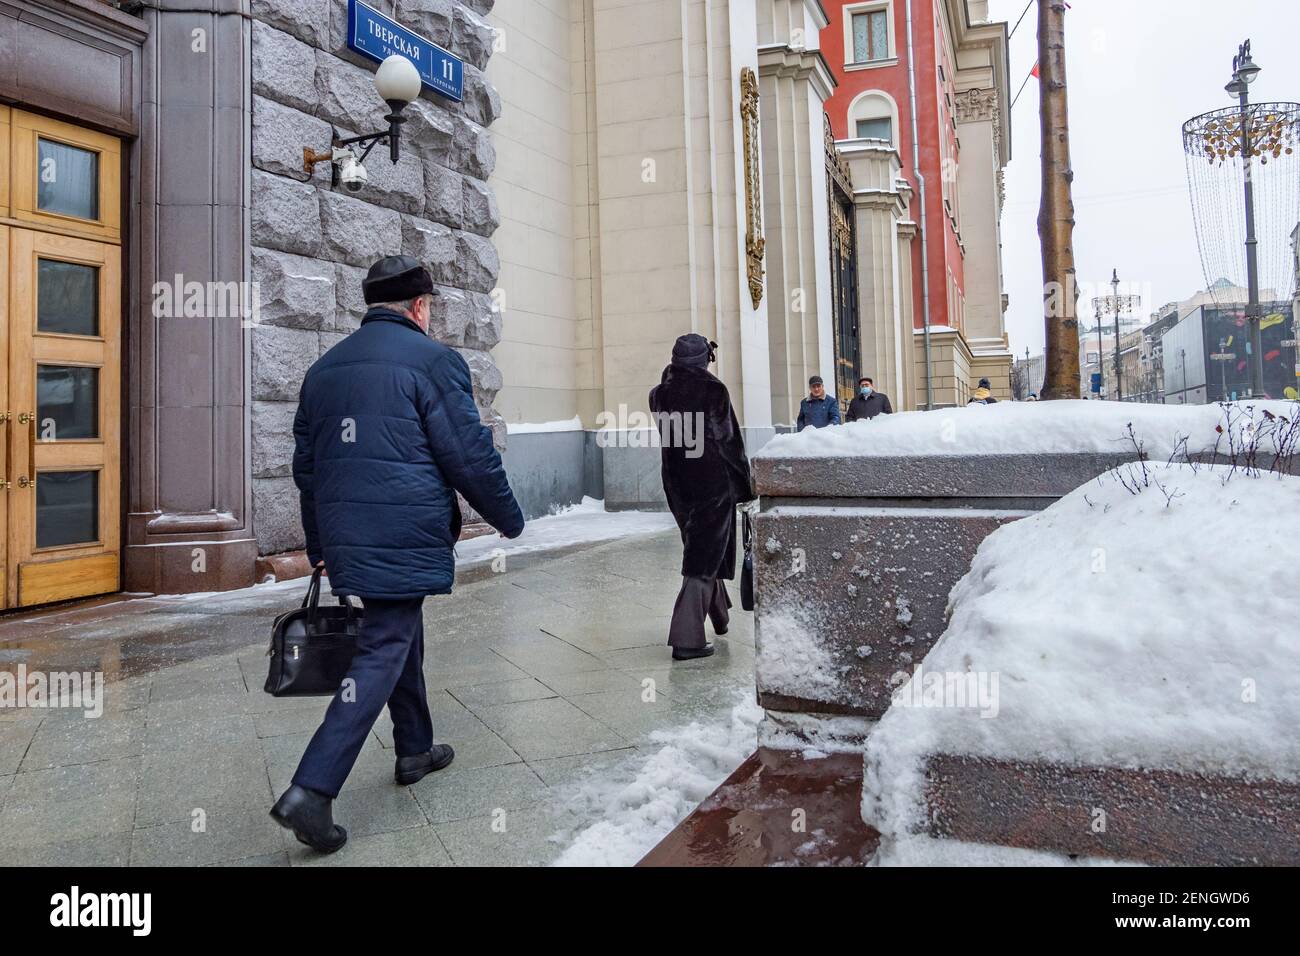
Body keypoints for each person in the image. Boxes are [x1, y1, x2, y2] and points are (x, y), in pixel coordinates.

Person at [271, 255, 525, 853]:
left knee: (396, 629)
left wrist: (319, 546)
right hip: (403, 533)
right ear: (419, 306)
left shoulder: (324, 369)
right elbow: (468, 454)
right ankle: (311, 789)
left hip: (347, 536)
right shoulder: (435, 362)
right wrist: (510, 518)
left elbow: (306, 471)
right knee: (384, 644)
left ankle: (414, 748)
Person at [649, 334, 755, 661]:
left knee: (704, 545)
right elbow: (729, 442)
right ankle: (687, 638)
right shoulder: (713, 390)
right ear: (704, 358)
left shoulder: (658, 395)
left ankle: (720, 616)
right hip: (712, 483)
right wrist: (746, 487)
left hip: (677, 484)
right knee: (702, 558)